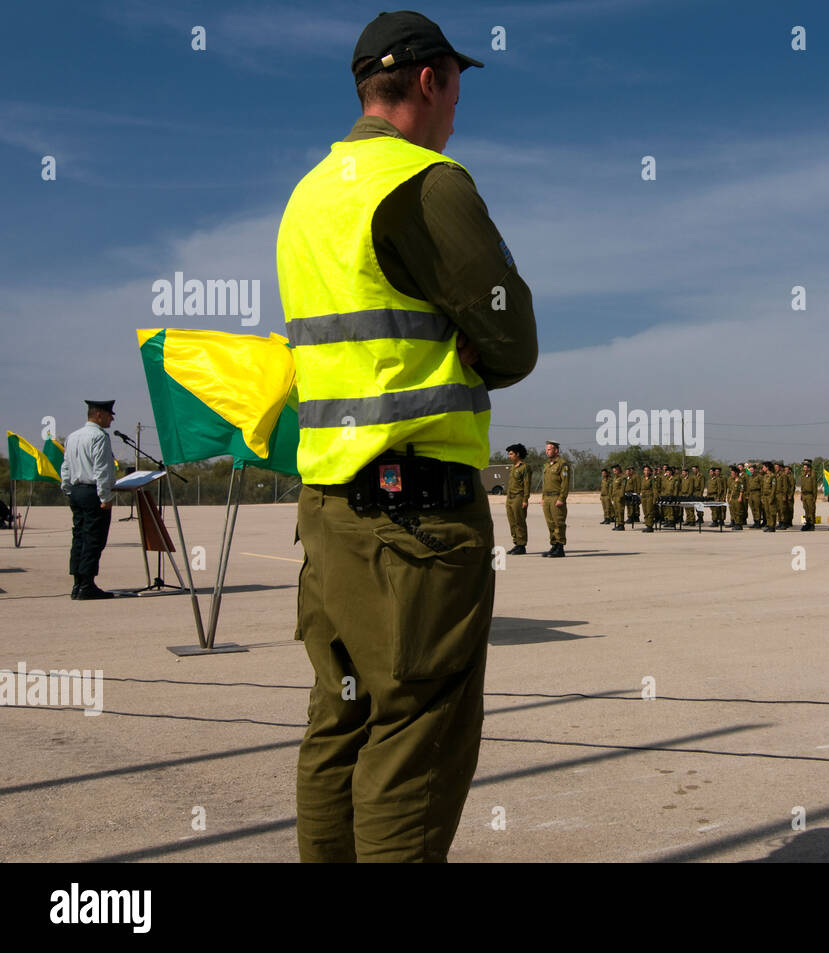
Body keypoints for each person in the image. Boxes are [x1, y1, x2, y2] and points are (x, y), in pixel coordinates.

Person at [278, 11, 537, 862]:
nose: (459, 107)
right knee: (414, 737)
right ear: (430, 80)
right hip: (414, 522)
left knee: (340, 724)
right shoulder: (426, 183)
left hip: (328, 517)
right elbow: (512, 339)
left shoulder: (308, 196)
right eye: (457, 84)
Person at [60, 399, 119, 600]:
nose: (112, 419)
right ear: (99, 415)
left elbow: (66, 467)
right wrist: (105, 496)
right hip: (93, 493)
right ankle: (87, 585)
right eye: (109, 414)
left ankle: (77, 584)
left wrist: (67, 489)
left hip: (77, 492)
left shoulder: (73, 436)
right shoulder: (99, 437)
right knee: (94, 539)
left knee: (79, 538)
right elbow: (101, 469)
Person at [540, 440, 569, 554]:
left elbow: (565, 483)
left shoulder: (562, 464)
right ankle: (554, 545)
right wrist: (543, 497)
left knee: (558, 523)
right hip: (547, 498)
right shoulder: (547, 465)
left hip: (556, 497)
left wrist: (562, 498)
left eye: (549, 449)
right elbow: (545, 483)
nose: (547, 451)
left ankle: (560, 546)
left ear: (556, 450)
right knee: (550, 523)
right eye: (546, 449)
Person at [505, 443, 530, 555]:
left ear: (517, 454)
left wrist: (525, 499)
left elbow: (527, 485)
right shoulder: (512, 468)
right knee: (512, 522)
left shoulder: (524, 467)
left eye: (511, 454)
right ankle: (516, 543)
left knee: (519, 521)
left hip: (519, 497)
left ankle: (521, 545)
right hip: (510, 498)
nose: (509, 456)